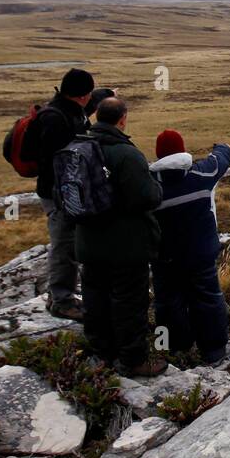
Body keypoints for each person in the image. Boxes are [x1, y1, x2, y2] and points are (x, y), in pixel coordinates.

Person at [74, 97, 167, 377]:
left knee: (95, 298)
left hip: (89, 242)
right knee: (129, 302)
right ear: (122, 119)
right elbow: (147, 197)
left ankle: (102, 354)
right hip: (126, 245)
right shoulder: (127, 154)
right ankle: (133, 359)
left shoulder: (78, 149)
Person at [149, 129, 230, 365]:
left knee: (167, 301)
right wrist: (223, 146)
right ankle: (215, 351)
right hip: (201, 252)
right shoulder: (203, 173)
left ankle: (173, 350)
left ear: (158, 154)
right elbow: (220, 160)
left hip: (164, 256)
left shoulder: (148, 186)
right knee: (207, 297)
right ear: (182, 149)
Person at [33, 67, 94, 321]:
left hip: (64, 191)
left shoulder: (65, 110)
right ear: (81, 96)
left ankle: (60, 293)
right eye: (89, 93)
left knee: (69, 242)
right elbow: (56, 161)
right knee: (64, 244)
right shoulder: (56, 119)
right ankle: (61, 299)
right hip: (59, 193)